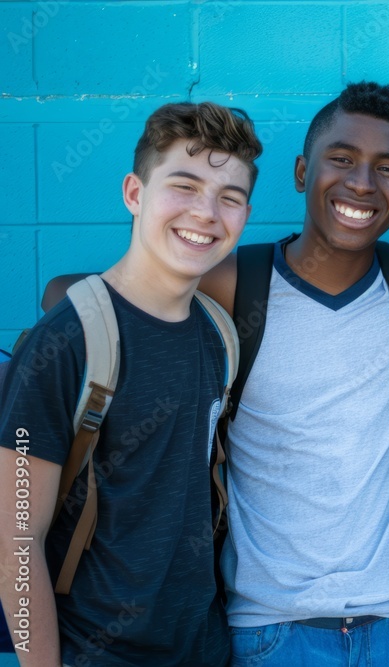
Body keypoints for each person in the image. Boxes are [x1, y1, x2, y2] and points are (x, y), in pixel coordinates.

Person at [204, 82, 389, 667]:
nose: (362, 183)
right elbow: (75, 299)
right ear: (303, 171)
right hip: (270, 627)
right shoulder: (234, 283)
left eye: (387, 169)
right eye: (342, 159)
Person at [0, 101, 262, 666]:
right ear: (135, 194)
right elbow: (13, 546)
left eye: (230, 197)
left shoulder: (219, 335)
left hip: (205, 650)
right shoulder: (66, 342)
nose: (207, 213)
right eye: (184, 186)